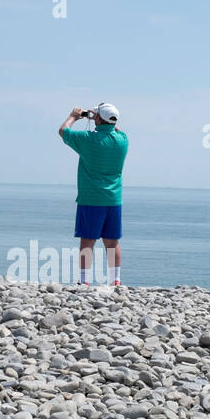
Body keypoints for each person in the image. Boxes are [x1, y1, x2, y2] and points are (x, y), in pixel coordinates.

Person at [58, 102, 128, 286]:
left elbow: (63, 131)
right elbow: (116, 129)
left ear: (98, 118)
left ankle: (84, 282)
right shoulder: (123, 140)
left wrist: (74, 116)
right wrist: (104, 119)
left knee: (88, 241)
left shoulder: (88, 139)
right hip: (114, 199)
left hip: (91, 198)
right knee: (112, 243)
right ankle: (116, 281)